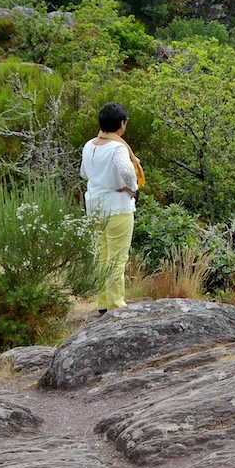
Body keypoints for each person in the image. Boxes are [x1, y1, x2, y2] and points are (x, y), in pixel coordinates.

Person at [81, 101, 141, 316]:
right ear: (121, 124)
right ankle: (116, 305)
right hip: (117, 206)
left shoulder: (89, 145)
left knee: (101, 256)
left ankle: (103, 302)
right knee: (117, 257)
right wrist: (132, 189)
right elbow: (127, 171)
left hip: (94, 206)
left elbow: (84, 174)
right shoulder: (117, 147)